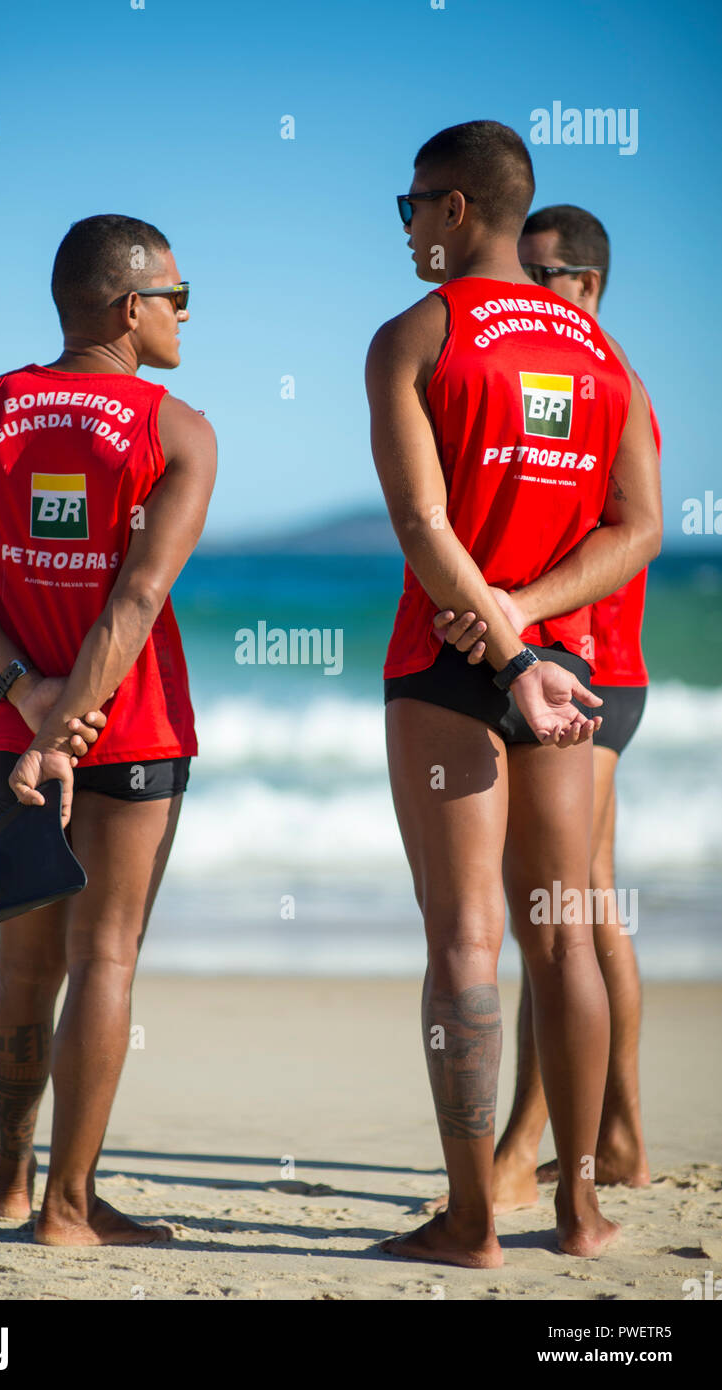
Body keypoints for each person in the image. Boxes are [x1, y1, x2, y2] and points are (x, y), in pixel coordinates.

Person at [366, 122, 661, 1267]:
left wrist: (494, 642)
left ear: (452, 210)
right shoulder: (604, 354)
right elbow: (638, 529)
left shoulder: (419, 333)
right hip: (565, 667)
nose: (405, 233)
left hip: (451, 667)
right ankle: (581, 1212)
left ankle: (472, 1221)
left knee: (463, 941)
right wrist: (532, 626)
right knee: (566, 937)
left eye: (408, 209)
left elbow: (422, 527)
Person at [0, 214, 216, 1246]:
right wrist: (66, 726)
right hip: (128, 738)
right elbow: (134, 601)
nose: (184, 315)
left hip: (16, 737)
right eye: (178, 296)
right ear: (132, 307)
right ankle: (69, 1208)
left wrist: (28, 695)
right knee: (109, 961)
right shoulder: (175, 429)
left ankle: (7, 1182)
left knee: (25, 970)